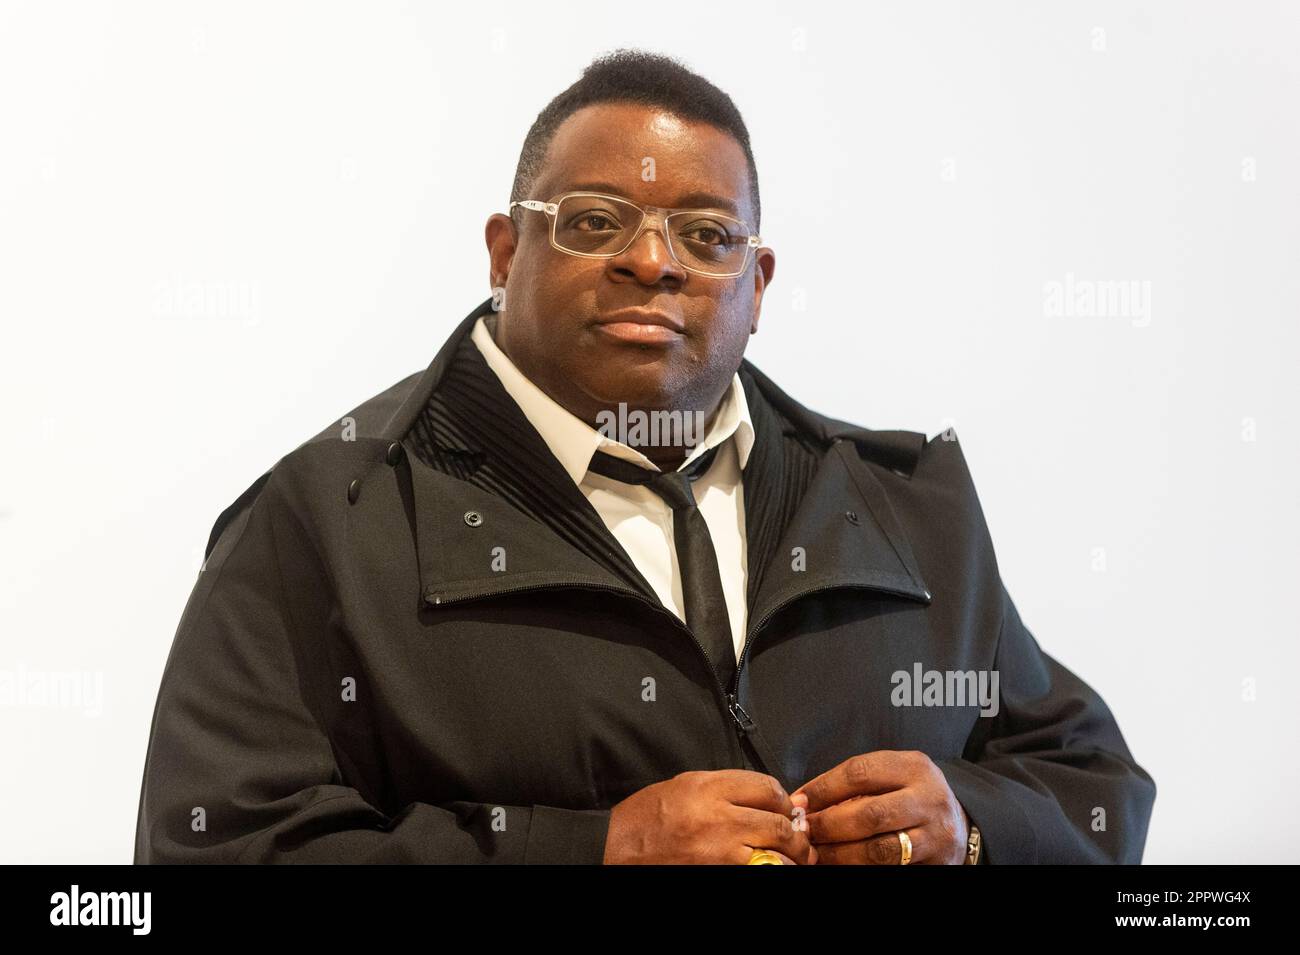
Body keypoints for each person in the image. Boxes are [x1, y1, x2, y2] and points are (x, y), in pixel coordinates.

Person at [133, 48, 1155, 864]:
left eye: (706, 235)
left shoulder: (907, 507)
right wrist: (588, 851)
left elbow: (1090, 781)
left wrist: (969, 826)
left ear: (756, 284)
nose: (651, 260)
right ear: (504, 251)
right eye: (594, 221)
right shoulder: (324, 521)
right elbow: (214, 845)